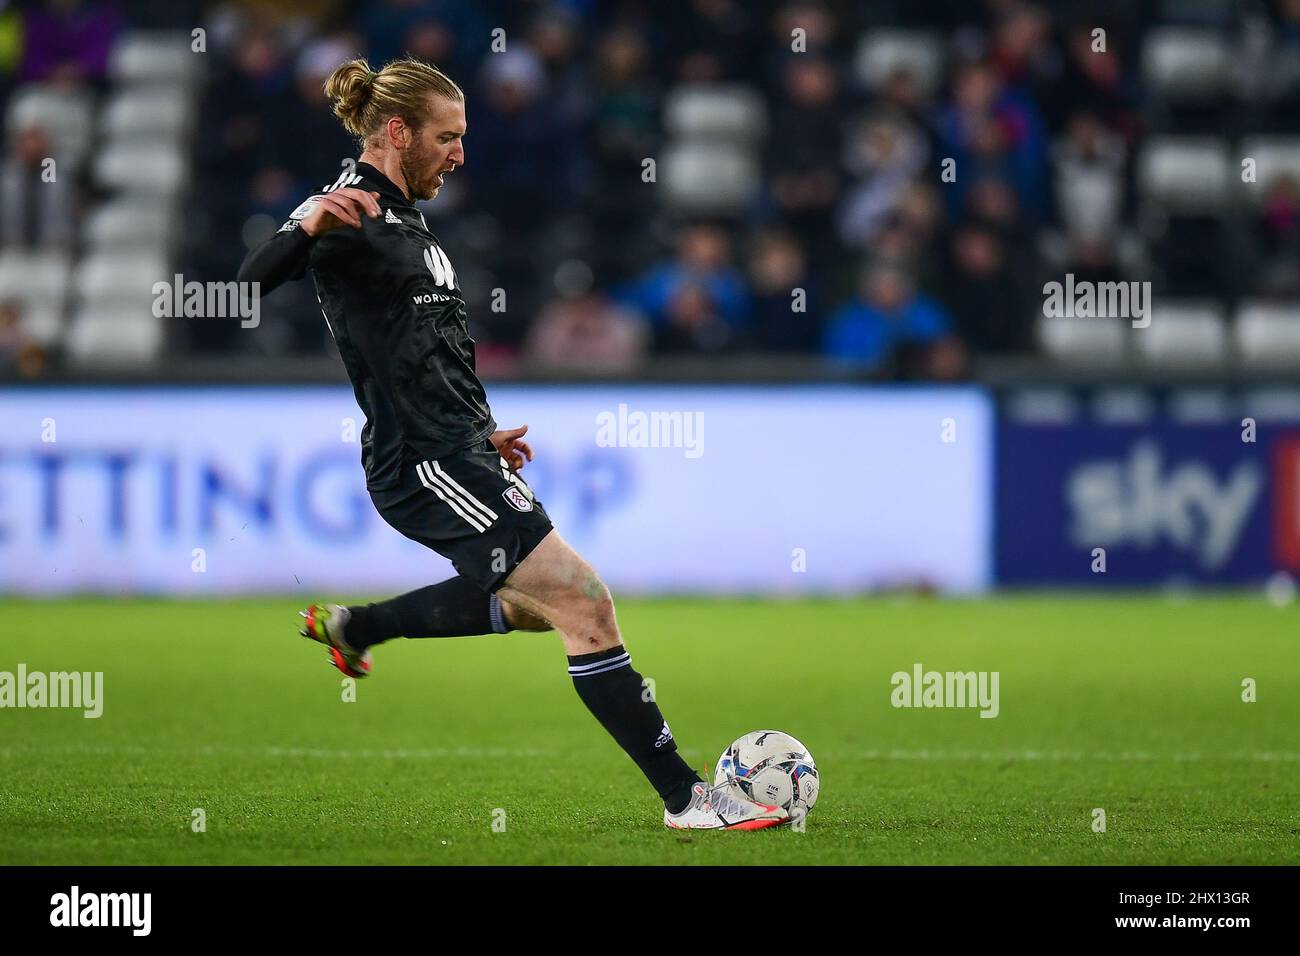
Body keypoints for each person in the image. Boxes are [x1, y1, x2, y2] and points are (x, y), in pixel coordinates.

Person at [237, 56, 785, 831]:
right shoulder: (346, 210)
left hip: (456, 447)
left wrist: (476, 427)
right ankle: (688, 798)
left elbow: (420, 346)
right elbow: (244, 285)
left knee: (536, 609)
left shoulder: (406, 221)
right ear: (396, 132)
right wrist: (305, 224)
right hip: (421, 462)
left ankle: (358, 627)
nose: (460, 154)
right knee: (584, 601)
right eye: (447, 137)